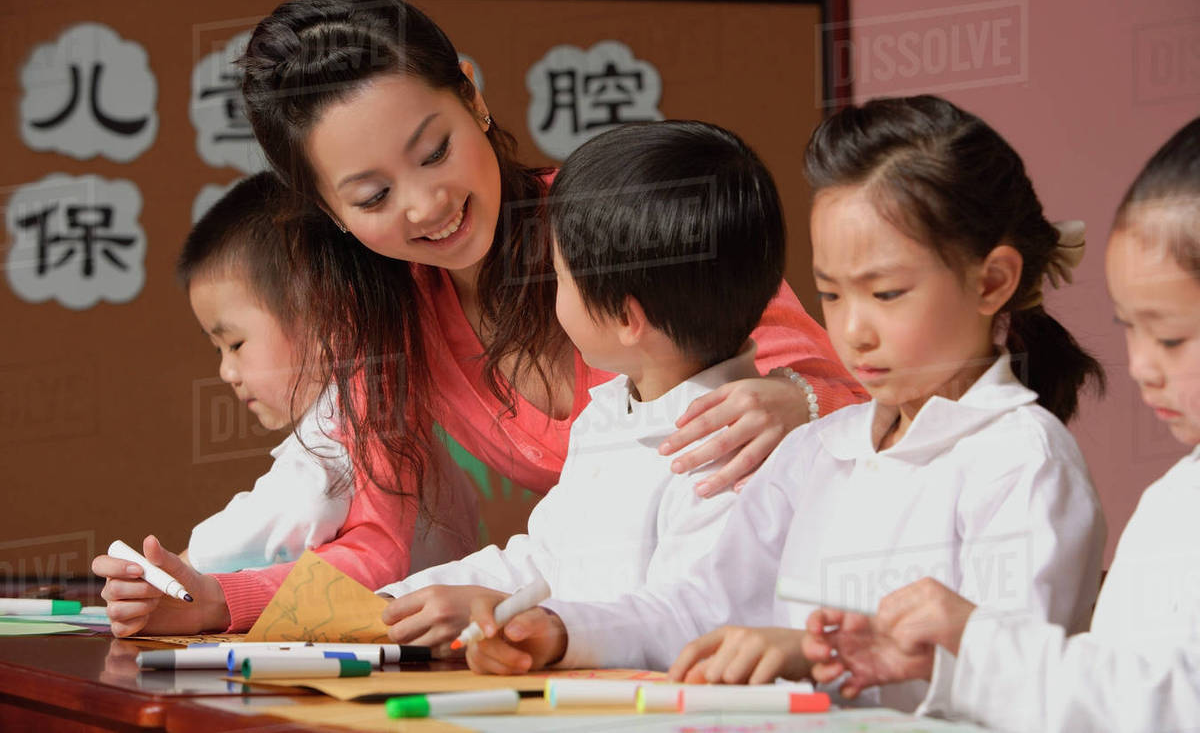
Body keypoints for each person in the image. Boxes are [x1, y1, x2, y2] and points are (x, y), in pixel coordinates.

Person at [90, 0, 860, 635]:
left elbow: (847, 395)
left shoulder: (613, 229)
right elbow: (383, 551)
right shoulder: (389, 325)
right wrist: (223, 601)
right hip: (615, 637)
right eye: (374, 195)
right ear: (328, 209)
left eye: (435, 151)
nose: (429, 205)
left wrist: (794, 398)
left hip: (791, 609)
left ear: (472, 96)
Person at [462, 96, 1107, 716]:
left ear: (991, 281)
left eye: (885, 293)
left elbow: (1025, 683)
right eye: (831, 294)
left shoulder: (1022, 460)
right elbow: (699, 607)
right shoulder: (818, 448)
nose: (853, 330)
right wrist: (559, 629)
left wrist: (812, 654)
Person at [803, 116, 1200, 733]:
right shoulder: (1175, 495)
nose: (1142, 367)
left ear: (993, 283)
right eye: (1131, 329)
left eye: (1172, 337)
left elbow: (1168, 705)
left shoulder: (1027, 457)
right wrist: (946, 663)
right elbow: (1112, 686)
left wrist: (973, 639)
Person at [377, 120, 790, 652]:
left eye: (559, 277)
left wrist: (549, 627)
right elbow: (549, 555)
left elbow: (689, 618)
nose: (550, 295)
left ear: (625, 318)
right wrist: (396, 601)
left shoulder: (725, 453)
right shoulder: (611, 411)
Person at [93, 173, 474, 636]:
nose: (226, 372)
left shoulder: (349, 413)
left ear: (332, 317)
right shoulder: (388, 396)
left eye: (235, 343)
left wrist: (189, 562)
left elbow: (294, 506)